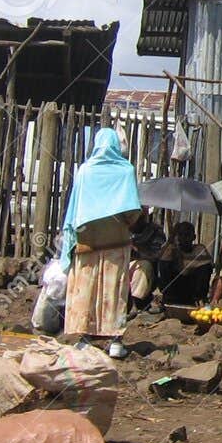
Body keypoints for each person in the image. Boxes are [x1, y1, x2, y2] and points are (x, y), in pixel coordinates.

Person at [60, 127, 143, 359]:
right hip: (116, 242)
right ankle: (116, 341)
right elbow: (133, 212)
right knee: (114, 291)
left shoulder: (85, 171)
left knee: (85, 289)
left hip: (87, 241)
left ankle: (84, 338)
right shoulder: (126, 171)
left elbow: (75, 208)